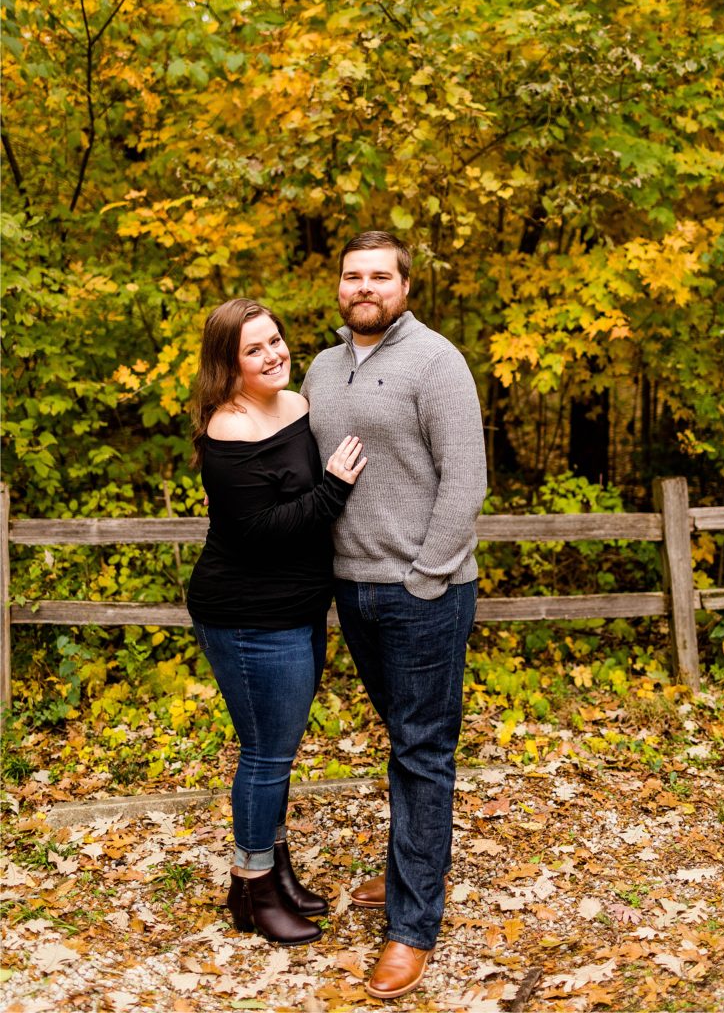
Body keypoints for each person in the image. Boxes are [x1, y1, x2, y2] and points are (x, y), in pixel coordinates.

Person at [301, 231, 487, 998]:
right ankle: (417, 864)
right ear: (339, 286)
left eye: (381, 275)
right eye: (354, 275)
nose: (365, 287)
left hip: (423, 593)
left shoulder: (436, 361)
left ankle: (412, 927)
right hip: (351, 589)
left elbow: (465, 479)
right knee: (406, 738)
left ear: (406, 286)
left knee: (420, 750)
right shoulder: (320, 367)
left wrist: (426, 578)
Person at [186, 298, 366, 945]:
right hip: (248, 616)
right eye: (253, 349)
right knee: (265, 754)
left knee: (278, 752)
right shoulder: (229, 429)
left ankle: (276, 872)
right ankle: (252, 889)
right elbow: (261, 531)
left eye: (275, 339)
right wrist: (334, 488)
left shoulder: (295, 405)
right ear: (228, 365)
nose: (273, 355)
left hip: (298, 607)